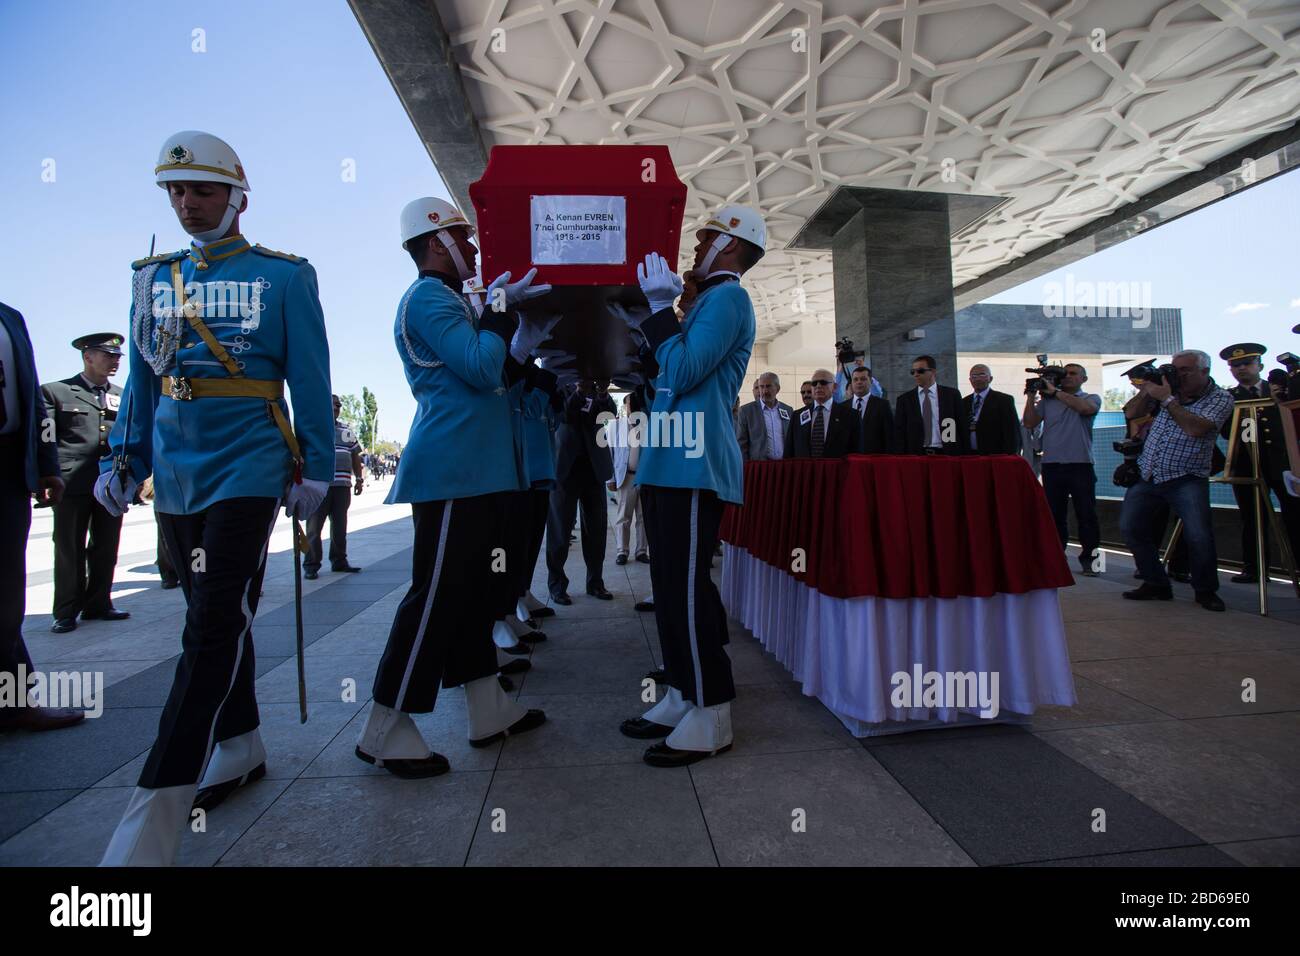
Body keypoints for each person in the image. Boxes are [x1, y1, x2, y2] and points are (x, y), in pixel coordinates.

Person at [95, 131, 336, 865]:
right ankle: (240, 742)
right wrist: (121, 457)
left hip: (251, 465)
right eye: (175, 191)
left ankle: (147, 831)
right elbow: (143, 383)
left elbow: (311, 377)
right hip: (175, 471)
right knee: (211, 617)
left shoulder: (284, 277)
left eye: (201, 190)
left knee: (208, 633)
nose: (186, 204)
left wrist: (318, 470)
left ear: (238, 196)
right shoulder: (150, 278)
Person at [354, 197, 549, 780]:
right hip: (453, 471)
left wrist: (522, 332)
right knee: (436, 597)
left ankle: (487, 708)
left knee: (467, 597)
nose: (473, 249)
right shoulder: (430, 298)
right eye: (465, 239)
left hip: (477, 470)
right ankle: (383, 727)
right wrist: (497, 312)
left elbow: (495, 376)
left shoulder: (446, 301)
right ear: (436, 241)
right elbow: (481, 368)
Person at [617, 204, 761, 767]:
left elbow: (682, 372)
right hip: (670, 460)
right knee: (669, 587)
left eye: (705, 241)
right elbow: (667, 376)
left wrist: (658, 312)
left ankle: (713, 708)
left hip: (695, 464)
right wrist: (648, 326)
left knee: (687, 588)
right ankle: (682, 690)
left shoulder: (729, 298)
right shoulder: (706, 302)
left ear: (729, 246)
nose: (695, 250)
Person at [0, 302, 82, 732]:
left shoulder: (9, 318)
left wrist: (45, 462)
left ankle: (13, 703)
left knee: (7, 595)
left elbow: (30, 398)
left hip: (7, 468)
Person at [1119, 350, 1233, 610]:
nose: (1177, 374)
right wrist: (1149, 390)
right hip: (1149, 473)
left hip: (1187, 477)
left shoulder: (1220, 397)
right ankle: (1155, 582)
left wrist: (1168, 400)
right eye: (1174, 368)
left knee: (1199, 536)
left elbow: (1196, 428)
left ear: (1204, 372)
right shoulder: (1164, 391)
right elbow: (1132, 413)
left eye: (1185, 370)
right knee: (1131, 528)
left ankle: (1205, 590)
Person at [41, 333, 129, 632]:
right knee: (69, 547)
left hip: (109, 483)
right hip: (71, 482)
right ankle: (66, 610)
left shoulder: (122, 393)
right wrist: (46, 474)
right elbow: (47, 440)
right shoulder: (56, 392)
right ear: (87, 356)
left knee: (107, 545)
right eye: (108, 355)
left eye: (117, 357)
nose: (115, 361)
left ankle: (99, 603)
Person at [1220, 343, 1300, 583]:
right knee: (1252, 517)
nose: (1241, 368)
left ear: (1260, 365)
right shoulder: (1228, 398)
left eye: (1247, 363)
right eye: (1235, 365)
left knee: (1295, 515)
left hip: (1282, 463)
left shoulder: (1280, 390)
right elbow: (1226, 432)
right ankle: (1254, 568)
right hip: (1247, 463)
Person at [1022, 363, 1101, 575]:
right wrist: (1031, 396)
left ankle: (1094, 563)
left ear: (1084, 378)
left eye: (1073, 374)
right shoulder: (1048, 401)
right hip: (1052, 465)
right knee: (1055, 515)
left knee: (1087, 515)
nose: (1067, 377)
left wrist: (1055, 392)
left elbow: (1085, 410)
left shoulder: (1090, 397)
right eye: (1065, 373)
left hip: (1081, 464)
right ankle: (1056, 559)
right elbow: (1029, 422)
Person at [546, 379, 616, 603]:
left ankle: (596, 582)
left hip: (595, 466)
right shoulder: (559, 381)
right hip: (565, 467)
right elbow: (564, 414)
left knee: (597, 529)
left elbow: (609, 415)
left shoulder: (598, 387)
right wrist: (579, 392)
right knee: (560, 531)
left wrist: (604, 393)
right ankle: (557, 584)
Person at [302, 394, 364, 580]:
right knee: (314, 528)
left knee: (340, 526)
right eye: (333, 405)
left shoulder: (346, 430)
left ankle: (339, 561)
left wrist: (359, 478)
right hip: (319, 486)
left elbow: (355, 455)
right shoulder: (311, 429)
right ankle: (311, 565)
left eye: (339, 405)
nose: (337, 408)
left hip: (342, 486)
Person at [894, 355, 969, 454]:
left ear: (933, 371)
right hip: (917, 454)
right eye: (913, 372)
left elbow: (961, 425)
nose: (916, 374)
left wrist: (965, 452)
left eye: (920, 371)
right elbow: (899, 431)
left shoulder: (951, 395)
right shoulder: (904, 399)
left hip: (947, 452)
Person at [608, 392, 649, 565]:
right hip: (626, 477)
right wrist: (610, 479)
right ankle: (622, 551)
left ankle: (641, 551)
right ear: (625, 407)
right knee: (623, 516)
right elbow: (610, 452)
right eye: (629, 404)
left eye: (634, 404)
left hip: (645, 478)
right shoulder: (616, 426)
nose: (631, 407)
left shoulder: (648, 425)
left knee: (643, 517)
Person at [787, 368, 857, 458]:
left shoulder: (850, 415)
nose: (818, 386)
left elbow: (856, 450)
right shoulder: (797, 415)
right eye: (814, 383)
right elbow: (789, 450)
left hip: (837, 469)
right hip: (805, 470)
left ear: (835, 387)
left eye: (823, 382)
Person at [964, 364, 1021, 455]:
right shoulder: (963, 402)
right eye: (974, 376)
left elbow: (1012, 431)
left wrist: (1011, 455)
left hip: (996, 454)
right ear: (970, 380)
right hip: (970, 455)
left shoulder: (1004, 400)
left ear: (990, 378)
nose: (978, 379)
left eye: (982, 375)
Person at [735, 371, 792, 461]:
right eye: (762, 387)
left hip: (784, 466)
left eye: (768, 386)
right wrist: (746, 468)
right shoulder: (746, 411)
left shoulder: (788, 410)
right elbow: (741, 443)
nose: (764, 391)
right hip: (759, 467)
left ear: (777, 388)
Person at [842, 365, 892, 454]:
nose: (859, 382)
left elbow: (889, 435)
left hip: (875, 458)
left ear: (871, 382)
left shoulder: (882, 405)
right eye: (855, 379)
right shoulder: (842, 407)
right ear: (851, 383)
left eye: (863, 379)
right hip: (849, 459)